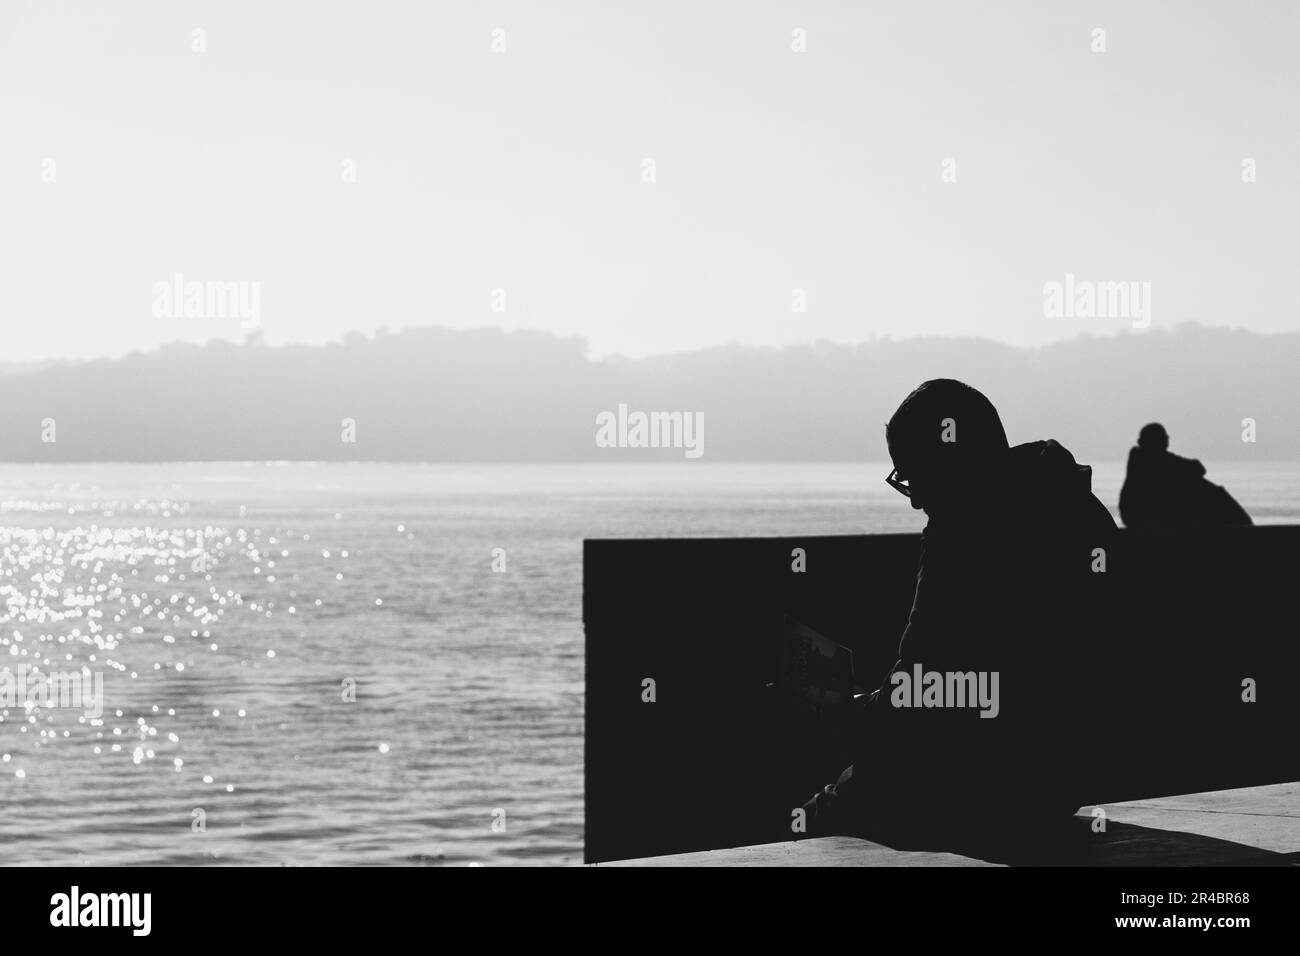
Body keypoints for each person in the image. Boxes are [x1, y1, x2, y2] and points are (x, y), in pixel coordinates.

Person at [800, 379, 1116, 845]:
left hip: (981, 783)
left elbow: (923, 689)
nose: (915, 498)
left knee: (810, 815)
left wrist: (841, 711)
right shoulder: (1077, 507)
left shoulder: (962, 531)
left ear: (948, 459)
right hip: (1060, 780)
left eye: (914, 474)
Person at [1118, 424, 1251, 527]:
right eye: (1163, 437)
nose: (1167, 440)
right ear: (1155, 440)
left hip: (1146, 513)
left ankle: (1237, 522)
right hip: (1141, 515)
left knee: (1194, 484)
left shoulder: (1148, 458)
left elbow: (1192, 468)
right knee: (1197, 485)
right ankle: (1239, 523)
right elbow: (1197, 468)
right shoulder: (1147, 458)